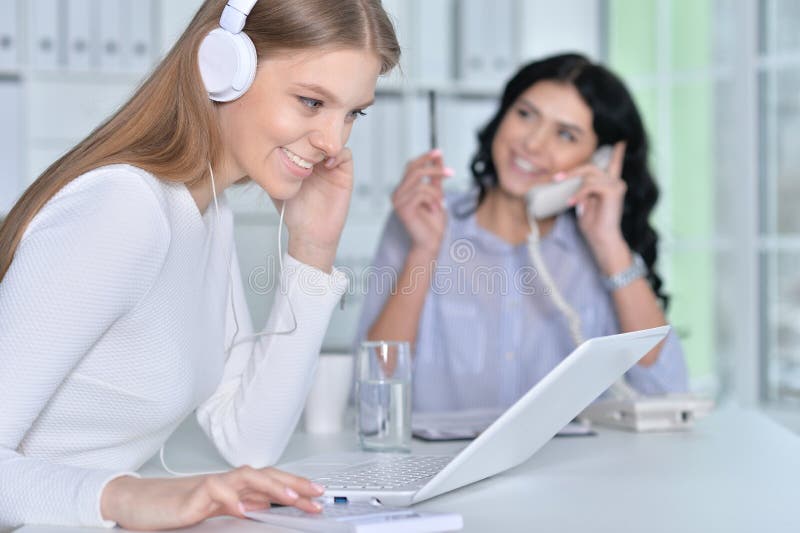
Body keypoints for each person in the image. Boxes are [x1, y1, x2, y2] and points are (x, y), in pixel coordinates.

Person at [0, 0, 399, 529]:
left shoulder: (206, 212)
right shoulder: (125, 207)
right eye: (310, 102)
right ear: (222, 67)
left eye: (352, 113)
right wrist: (127, 497)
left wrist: (313, 249)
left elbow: (250, 441)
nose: (333, 142)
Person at [355, 53, 688, 413]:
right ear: (503, 114)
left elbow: (666, 394)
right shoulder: (422, 219)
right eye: (526, 114)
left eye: (565, 134)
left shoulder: (603, 249)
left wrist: (610, 246)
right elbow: (373, 400)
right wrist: (423, 251)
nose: (532, 144)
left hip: (572, 468)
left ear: (601, 160)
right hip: (438, 466)